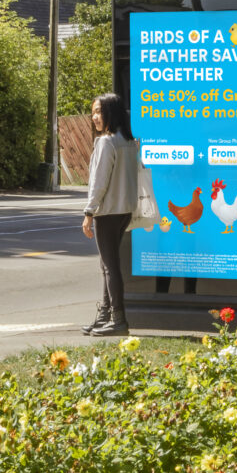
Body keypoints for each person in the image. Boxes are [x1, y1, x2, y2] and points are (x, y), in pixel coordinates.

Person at [82, 92, 140, 336]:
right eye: (93, 112)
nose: (95, 117)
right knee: (109, 265)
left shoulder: (106, 142)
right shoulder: (128, 141)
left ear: (111, 114)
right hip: (124, 210)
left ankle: (118, 320)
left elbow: (99, 182)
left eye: (99, 112)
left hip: (107, 212)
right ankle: (105, 315)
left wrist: (89, 212)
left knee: (109, 267)